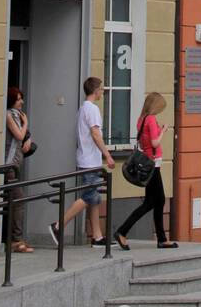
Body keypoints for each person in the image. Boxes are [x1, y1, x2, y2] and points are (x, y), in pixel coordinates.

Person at [49, 77, 115, 248]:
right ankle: (57, 226)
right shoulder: (92, 109)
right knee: (88, 197)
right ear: (95, 91)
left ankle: (97, 237)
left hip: (86, 158)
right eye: (101, 89)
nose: (102, 92)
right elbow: (95, 134)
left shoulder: (82, 109)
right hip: (90, 160)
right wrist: (107, 155)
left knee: (94, 198)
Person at [114, 93, 178, 251]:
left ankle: (161, 239)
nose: (160, 111)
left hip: (149, 164)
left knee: (157, 201)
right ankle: (122, 231)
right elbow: (155, 142)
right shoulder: (150, 119)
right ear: (155, 105)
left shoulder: (141, 119)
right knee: (152, 202)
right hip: (152, 165)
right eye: (160, 107)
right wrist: (163, 130)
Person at [4, 85, 34, 253]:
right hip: (9, 164)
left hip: (16, 163)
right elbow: (19, 135)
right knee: (18, 199)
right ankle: (16, 240)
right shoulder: (9, 116)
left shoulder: (18, 116)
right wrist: (26, 124)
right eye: (19, 99)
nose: (22, 101)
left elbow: (26, 136)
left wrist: (28, 137)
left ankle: (15, 239)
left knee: (15, 200)